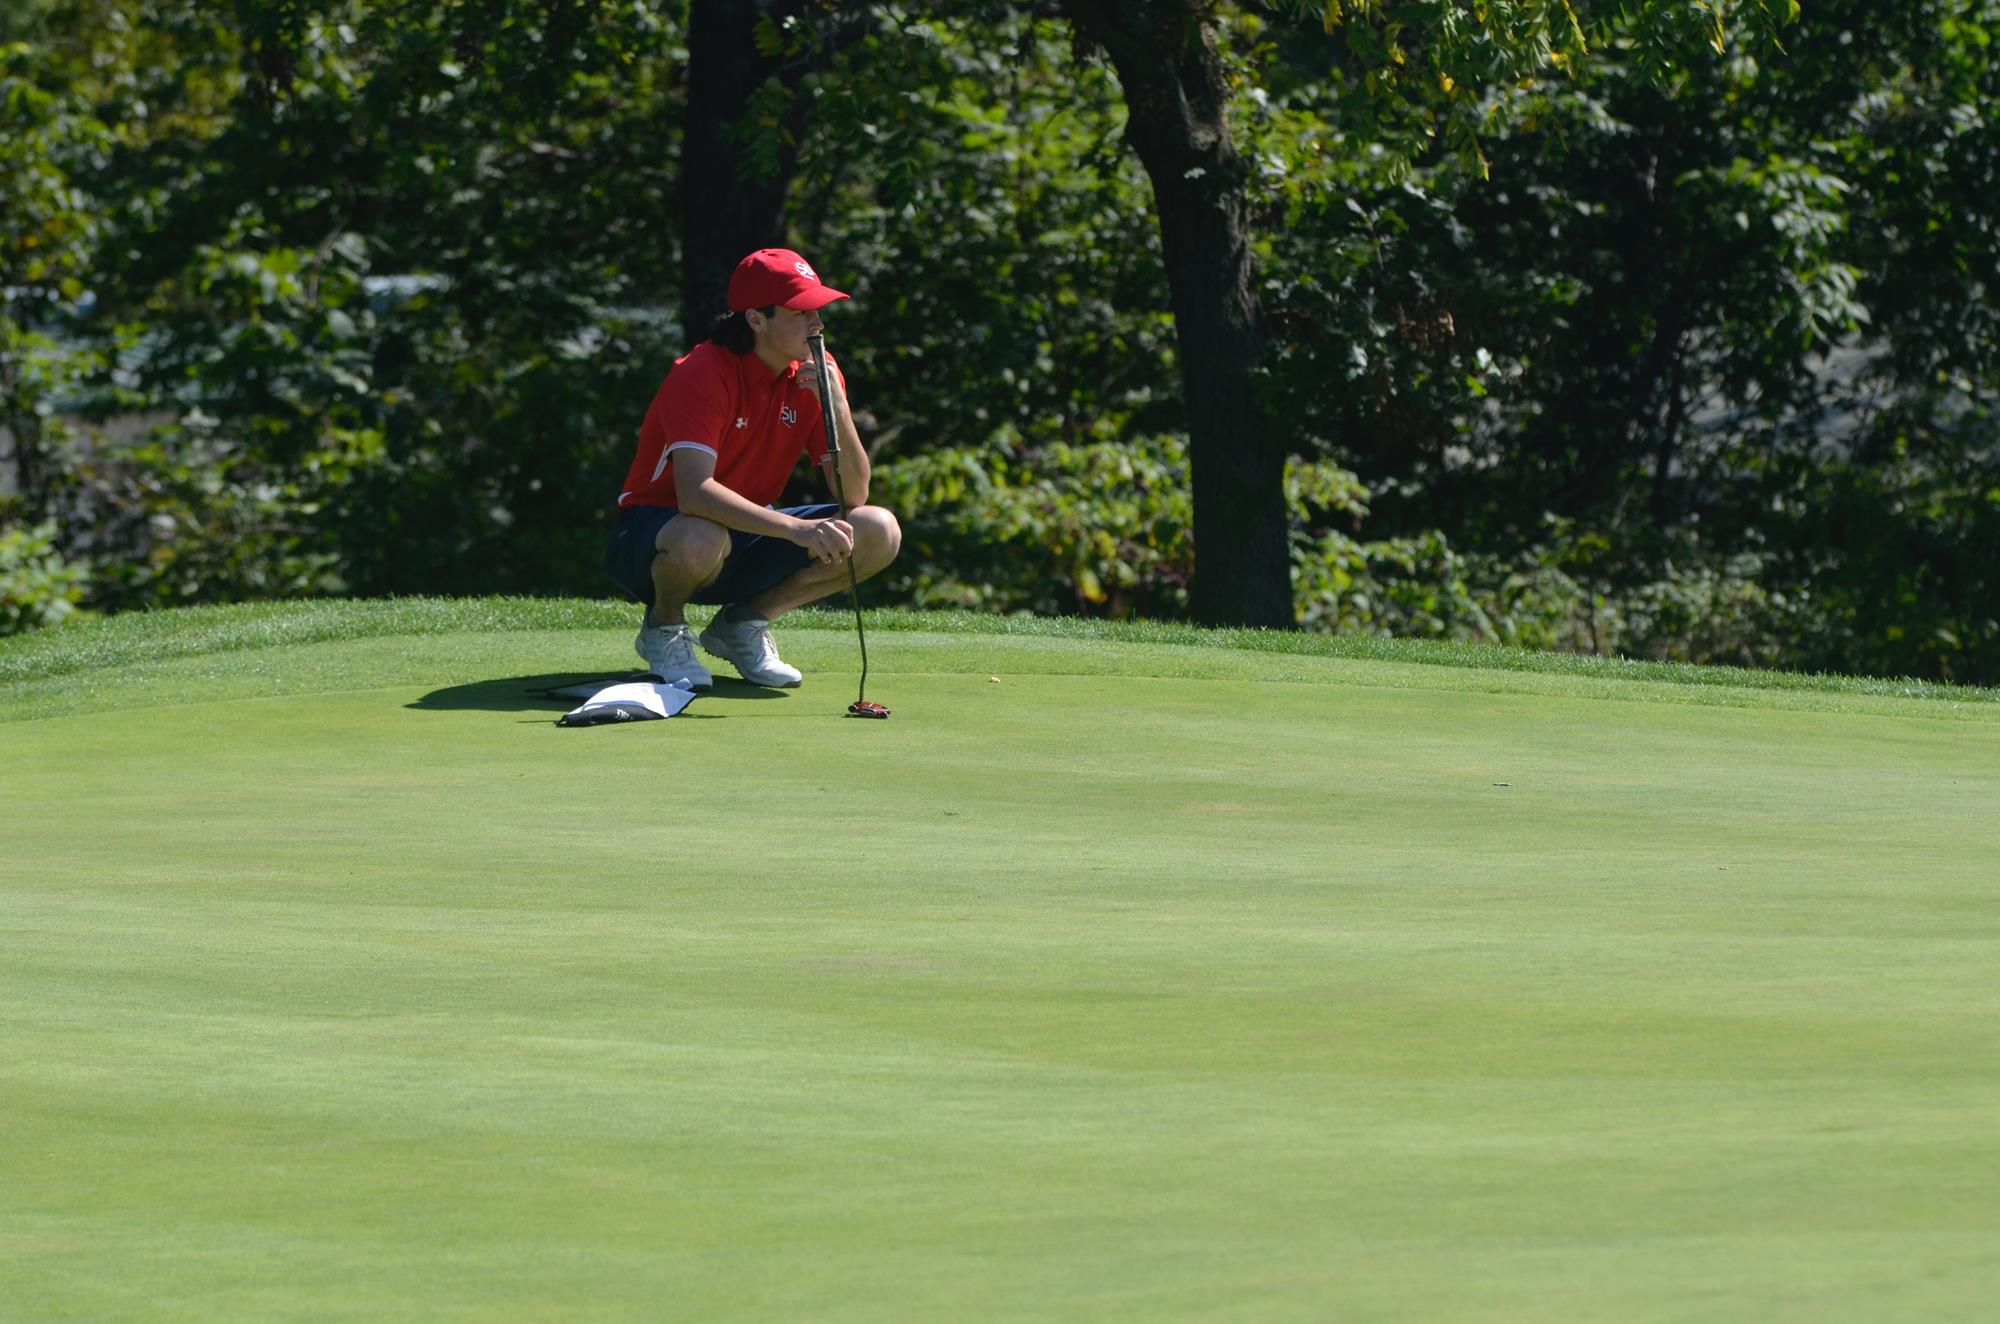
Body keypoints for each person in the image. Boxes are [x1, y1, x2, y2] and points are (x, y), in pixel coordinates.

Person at [604, 248, 901, 690]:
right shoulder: (702, 371)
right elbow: (694, 494)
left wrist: (836, 407)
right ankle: (662, 629)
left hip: (743, 535)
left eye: (818, 308)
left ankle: (741, 625)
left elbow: (853, 494)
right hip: (654, 536)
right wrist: (797, 529)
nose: (817, 322)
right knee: (702, 533)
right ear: (756, 320)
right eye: (801, 311)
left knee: (879, 529)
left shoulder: (818, 370)